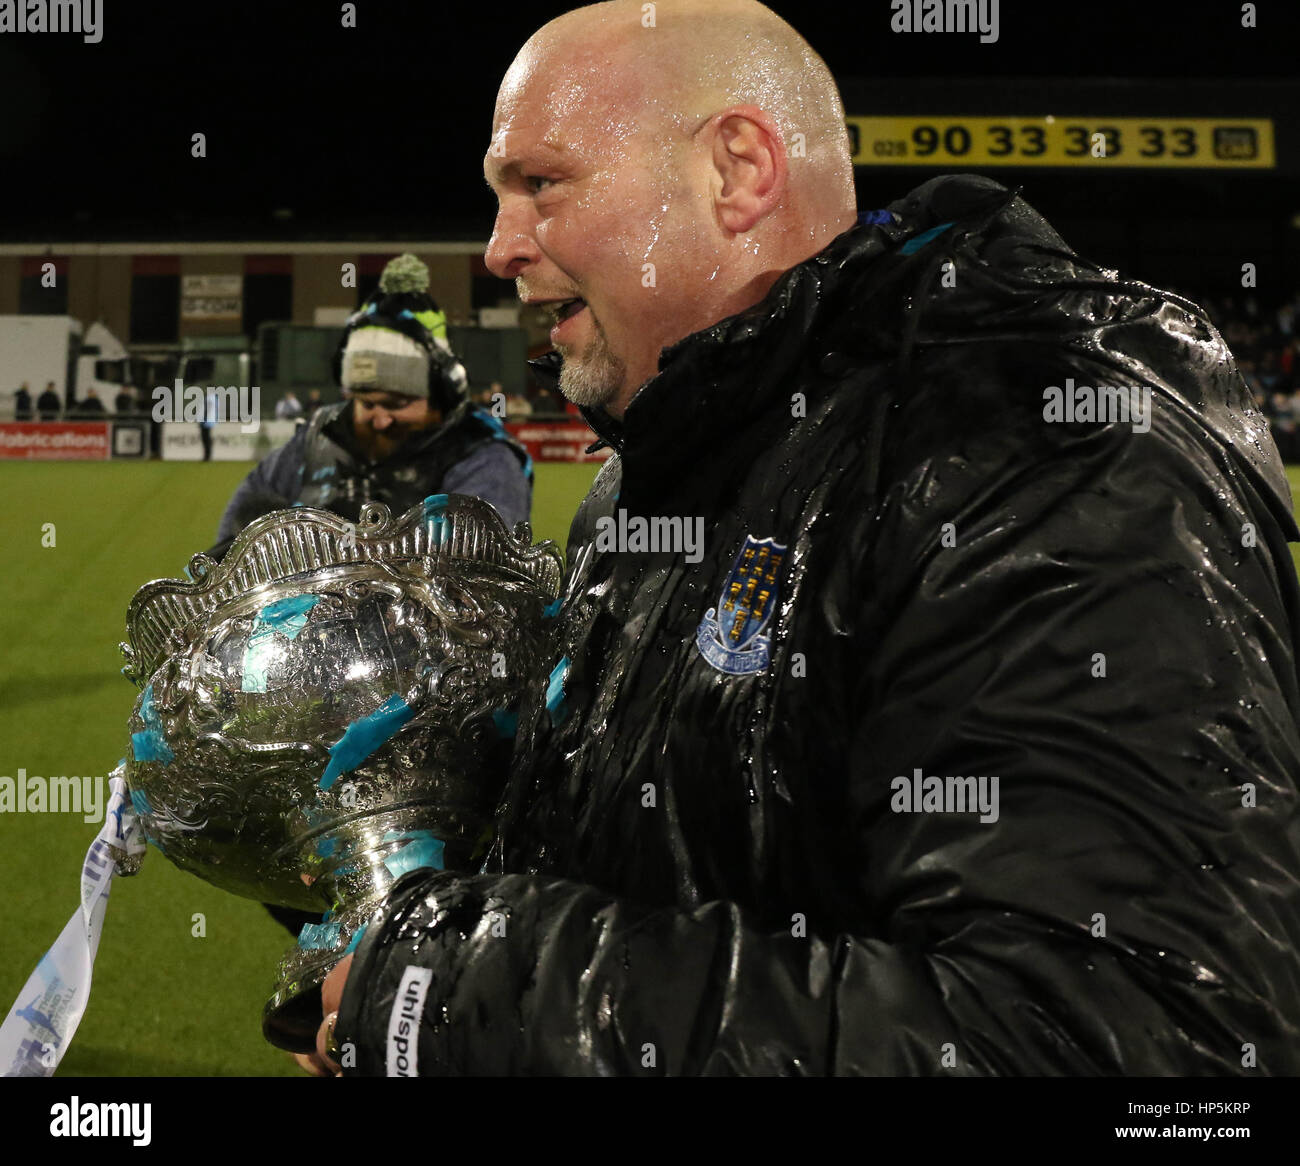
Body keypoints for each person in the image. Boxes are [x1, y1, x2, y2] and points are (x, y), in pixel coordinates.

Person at [306, 0, 1300, 1077]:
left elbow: (1129, 1039)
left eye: (541, 184)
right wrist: (402, 890)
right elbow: (667, 877)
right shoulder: (656, 470)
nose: (499, 248)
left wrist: (458, 997)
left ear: (736, 171)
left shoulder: (1042, 444)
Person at [211, 252, 533, 558]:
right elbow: (236, 543)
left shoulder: (485, 458)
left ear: (443, 394)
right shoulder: (317, 437)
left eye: (397, 404)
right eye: (366, 403)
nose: (380, 420)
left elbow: (477, 576)